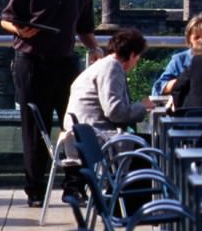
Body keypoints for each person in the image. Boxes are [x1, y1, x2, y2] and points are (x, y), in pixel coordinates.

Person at [0, 0, 101, 207]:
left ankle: (73, 185)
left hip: (66, 63)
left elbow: (85, 30)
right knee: (34, 127)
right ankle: (34, 190)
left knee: (73, 124)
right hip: (31, 62)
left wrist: (96, 49)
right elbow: (6, 19)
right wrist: (21, 30)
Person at [60, 27, 152, 203]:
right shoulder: (112, 67)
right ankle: (130, 202)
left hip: (81, 135)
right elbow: (116, 112)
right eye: (138, 57)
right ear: (132, 54)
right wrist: (143, 106)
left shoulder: (101, 65)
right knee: (151, 144)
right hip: (96, 137)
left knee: (146, 141)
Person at [153, 15, 202, 96]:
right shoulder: (179, 60)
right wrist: (182, 82)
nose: (201, 41)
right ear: (189, 39)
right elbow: (158, 88)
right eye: (197, 37)